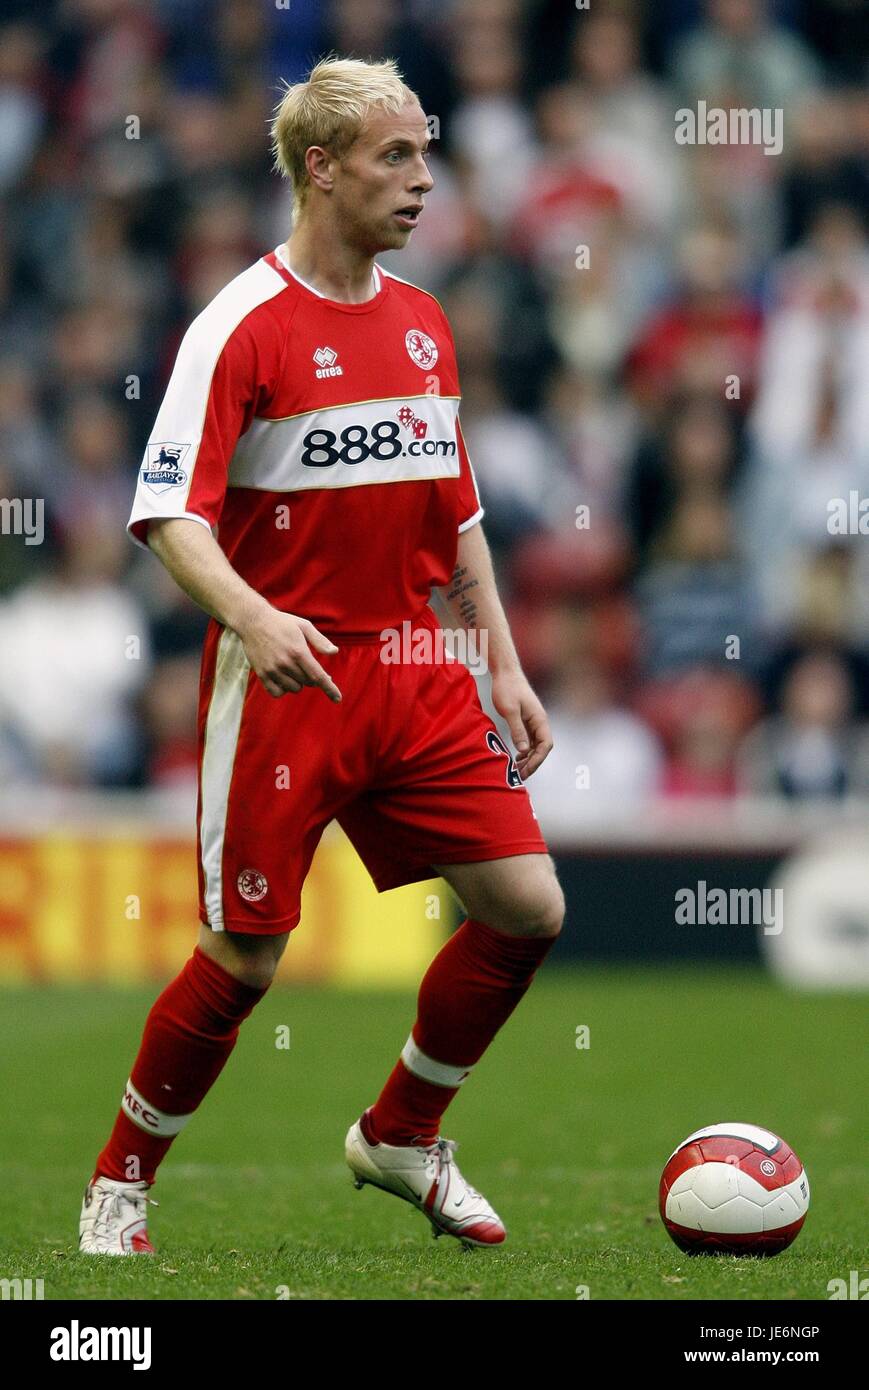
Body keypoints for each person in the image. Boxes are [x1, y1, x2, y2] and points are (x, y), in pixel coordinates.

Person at [78, 57, 564, 1255]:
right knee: (246, 958)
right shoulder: (237, 325)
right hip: (287, 680)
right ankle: (119, 1182)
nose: (421, 178)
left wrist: (499, 661)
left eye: (423, 152)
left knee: (526, 907)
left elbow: (456, 518)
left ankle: (401, 1133)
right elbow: (166, 514)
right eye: (395, 156)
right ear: (321, 167)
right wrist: (249, 614)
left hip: (418, 670)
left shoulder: (423, 322)